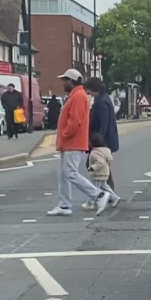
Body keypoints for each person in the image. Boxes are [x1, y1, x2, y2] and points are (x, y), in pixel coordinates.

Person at [47, 69, 111, 216]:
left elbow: (75, 121)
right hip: (68, 142)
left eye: (65, 80)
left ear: (71, 81)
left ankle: (98, 195)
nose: (63, 83)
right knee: (63, 174)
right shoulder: (74, 95)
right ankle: (64, 205)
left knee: (70, 173)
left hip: (73, 142)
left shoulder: (78, 96)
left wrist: (65, 133)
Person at [84, 76, 121, 201]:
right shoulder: (103, 99)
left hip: (102, 142)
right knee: (104, 169)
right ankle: (108, 195)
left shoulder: (101, 102)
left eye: (88, 90)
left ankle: (104, 195)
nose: (87, 92)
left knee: (96, 166)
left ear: (93, 88)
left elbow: (104, 125)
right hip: (103, 141)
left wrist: (97, 141)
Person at [84, 132, 114, 210]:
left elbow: (100, 163)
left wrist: (92, 168)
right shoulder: (106, 150)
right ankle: (115, 198)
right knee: (105, 187)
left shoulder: (95, 152)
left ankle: (91, 203)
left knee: (94, 188)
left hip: (98, 174)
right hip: (105, 173)